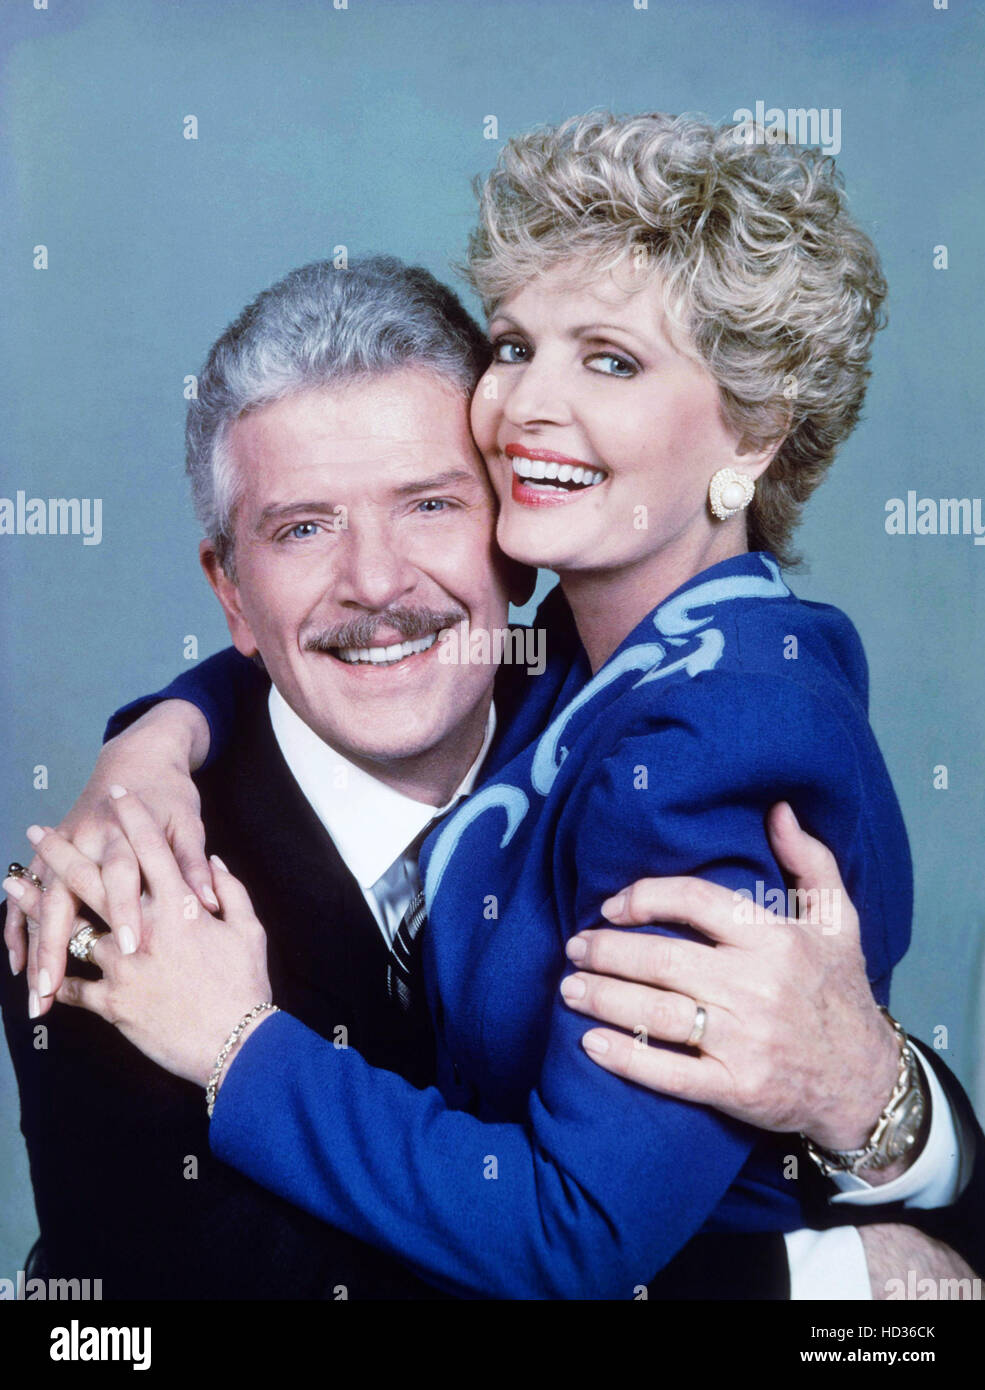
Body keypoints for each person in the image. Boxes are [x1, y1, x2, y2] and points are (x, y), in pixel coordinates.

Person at [5, 146, 982, 1293]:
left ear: (507, 546)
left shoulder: (671, 738)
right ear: (232, 592)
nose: (376, 581)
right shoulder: (121, 895)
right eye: (303, 529)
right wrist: (830, 1289)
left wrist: (881, 1102)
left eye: (429, 504)